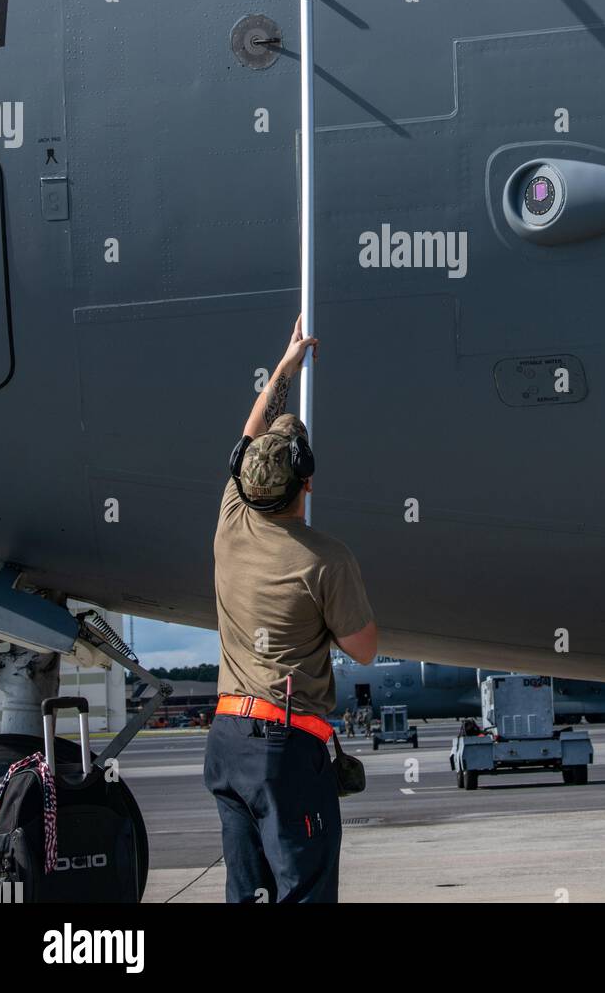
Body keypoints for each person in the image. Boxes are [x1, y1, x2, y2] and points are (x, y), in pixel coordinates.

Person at [204, 316, 377, 904]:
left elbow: (248, 436)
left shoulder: (232, 520)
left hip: (228, 740)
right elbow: (365, 647)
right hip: (284, 751)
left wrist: (285, 363)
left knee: (247, 896)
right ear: (306, 482)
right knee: (301, 891)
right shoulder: (326, 560)